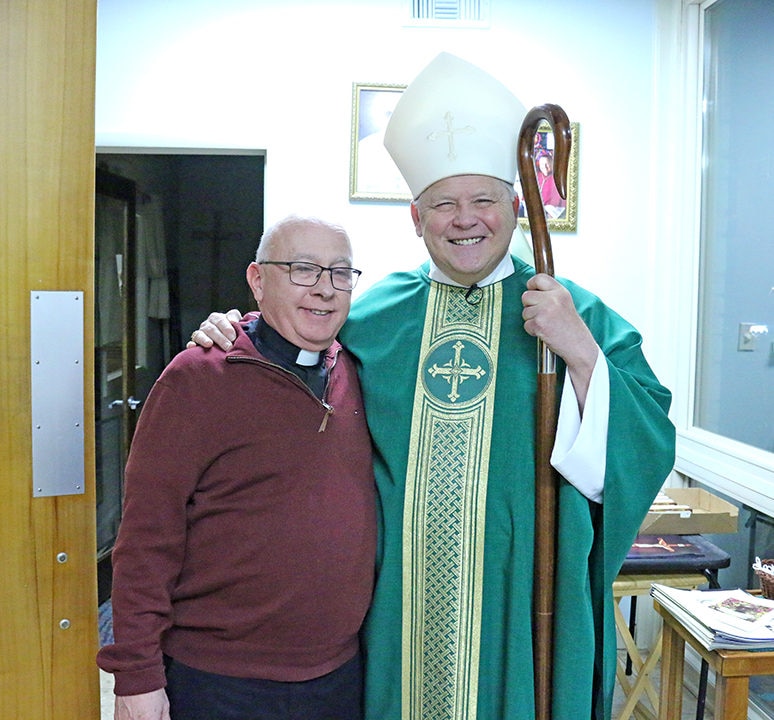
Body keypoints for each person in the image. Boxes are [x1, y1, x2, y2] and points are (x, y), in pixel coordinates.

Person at [191, 53, 675, 720]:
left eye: (482, 200)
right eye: (444, 204)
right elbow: (290, 353)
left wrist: (584, 357)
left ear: (513, 206)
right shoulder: (371, 316)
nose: (464, 218)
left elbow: (647, 439)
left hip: (521, 603)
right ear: (416, 218)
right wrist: (230, 328)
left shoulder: (574, 312)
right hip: (397, 605)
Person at [97, 216, 376, 720]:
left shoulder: (358, 368)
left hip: (337, 677)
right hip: (218, 679)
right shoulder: (198, 376)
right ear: (257, 280)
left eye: (340, 272)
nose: (325, 289)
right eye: (303, 269)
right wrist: (135, 676)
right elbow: (145, 539)